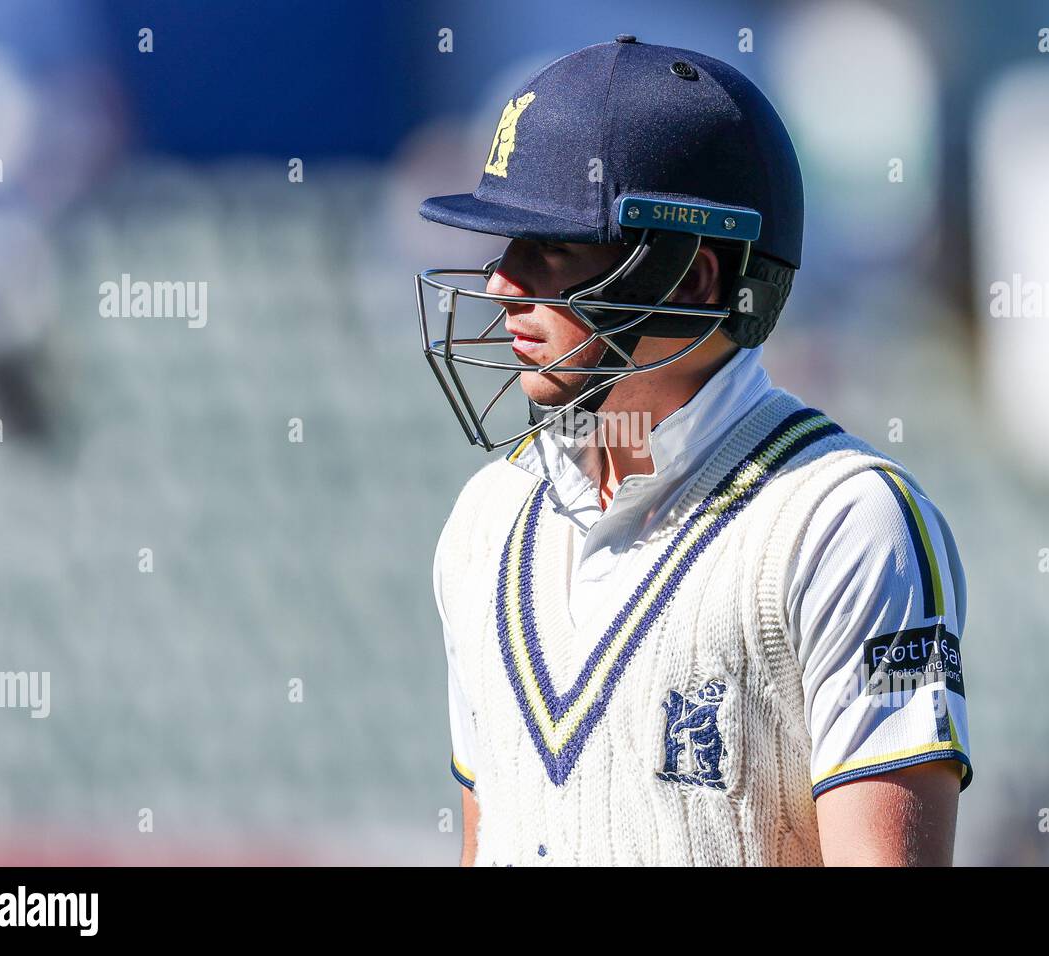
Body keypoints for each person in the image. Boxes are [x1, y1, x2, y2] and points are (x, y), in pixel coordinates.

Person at [416, 36, 970, 866]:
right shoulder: (485, 522)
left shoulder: (842, 523)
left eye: (552, 246)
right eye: (507, 244)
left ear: (694, 279)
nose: (500, 282)